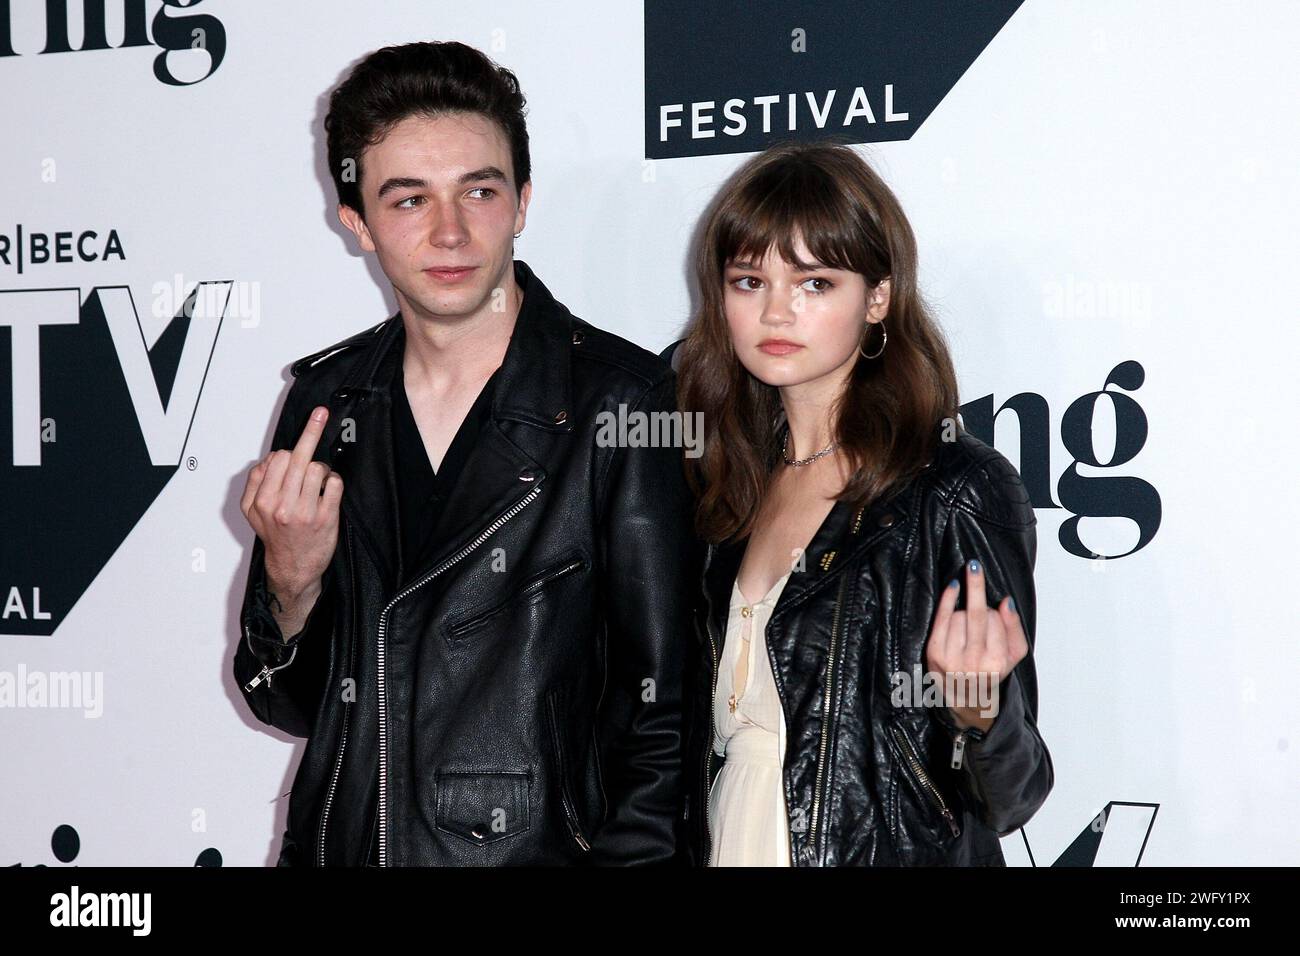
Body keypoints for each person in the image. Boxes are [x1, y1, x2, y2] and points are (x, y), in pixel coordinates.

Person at [233, 40, 699, 866]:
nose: (449, 232)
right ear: (357, 223)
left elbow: (664, 718)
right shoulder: (326, 405)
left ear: (521, 201)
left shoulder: (620, 406)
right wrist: (291, 581)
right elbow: (291, 708)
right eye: (408, 200)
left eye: (477, 191)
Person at [669, 140, 1053, 866]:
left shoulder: (954, 488)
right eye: (749, 281)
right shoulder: (722, 485)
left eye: (814, 283)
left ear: (877, 298)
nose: (776, 311)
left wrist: (979, 710)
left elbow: (1017, 793)